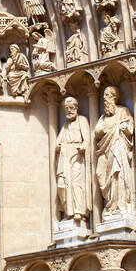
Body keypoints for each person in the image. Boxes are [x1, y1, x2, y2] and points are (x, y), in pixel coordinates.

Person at [94, 85, 136, 217]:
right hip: (105, 150)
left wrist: (122, 126)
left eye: (108, 96)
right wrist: (104, 130)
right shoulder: (103, 117)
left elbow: (130, 127)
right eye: (104, 96)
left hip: (118, 147)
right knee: (100, 173)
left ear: (114, 97)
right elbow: (97, 131)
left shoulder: (123, 111)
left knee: (118, 174)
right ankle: (110, 203)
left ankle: (119, 205)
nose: (105, 99)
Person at [54, 96, 91, 226]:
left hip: (76, 156)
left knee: (76, 184)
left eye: (71, 108)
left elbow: (87, 139)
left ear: (76, 108)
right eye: (66, 109)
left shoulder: (82, 120)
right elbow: (57, 143)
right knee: (62, 184)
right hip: (64, 156)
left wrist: (83, 147)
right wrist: (58, 147)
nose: (69, 111)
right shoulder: (65, 125)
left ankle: (78, 212)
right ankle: (67, 212)